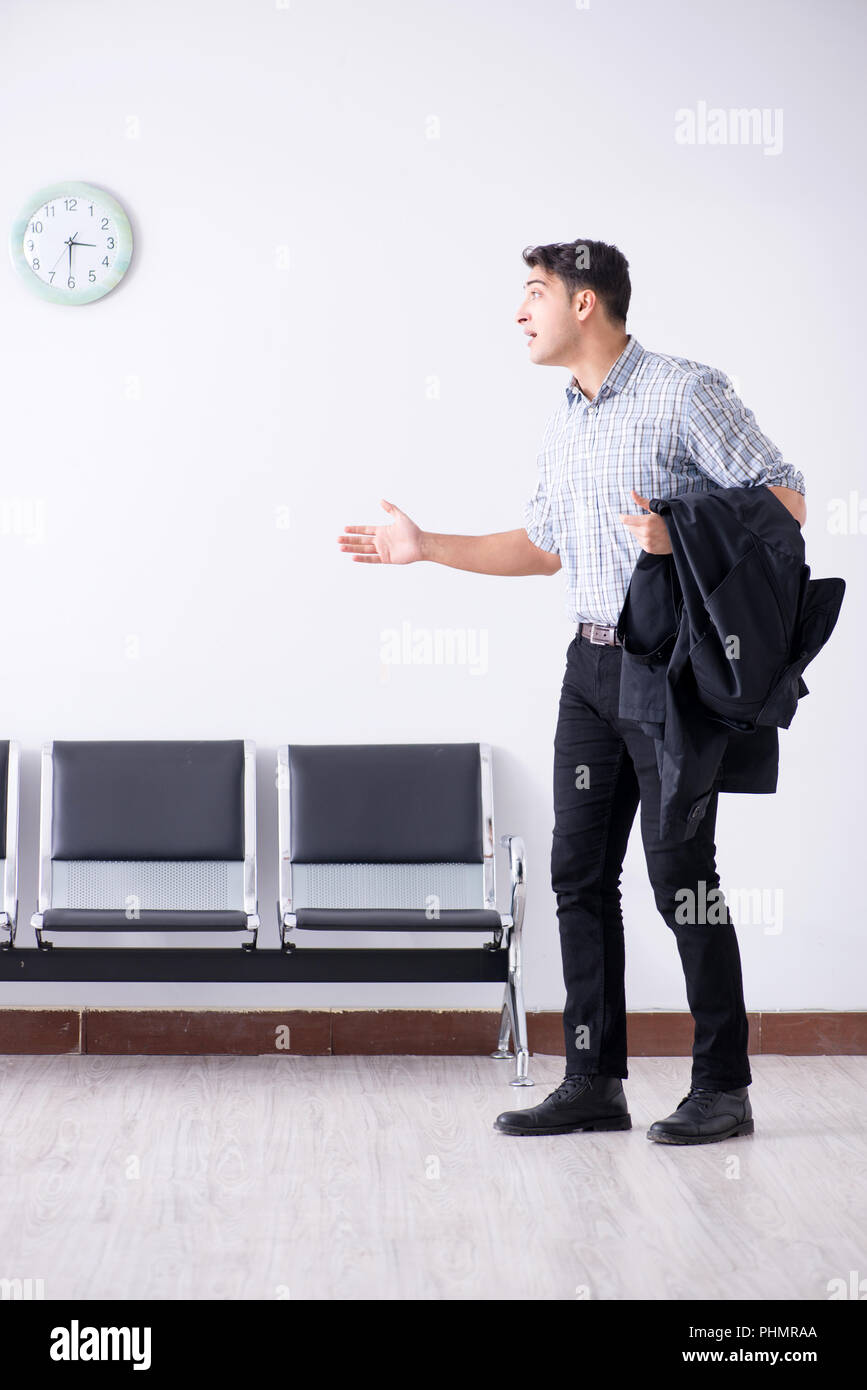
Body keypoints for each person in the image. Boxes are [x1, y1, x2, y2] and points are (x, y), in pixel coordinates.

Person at [337, 238, 806, 1145]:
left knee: (681, 878)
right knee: (577, 879)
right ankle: (593, 1081)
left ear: (583, 302)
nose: (518, 313)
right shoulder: (566, 418)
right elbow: (546, 547)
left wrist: (679, 529)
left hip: (671, 676)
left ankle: (723, 1086)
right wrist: (426, 545)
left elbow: (784, 499)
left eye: (532, 293)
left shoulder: (683, 389)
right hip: (590, 670)